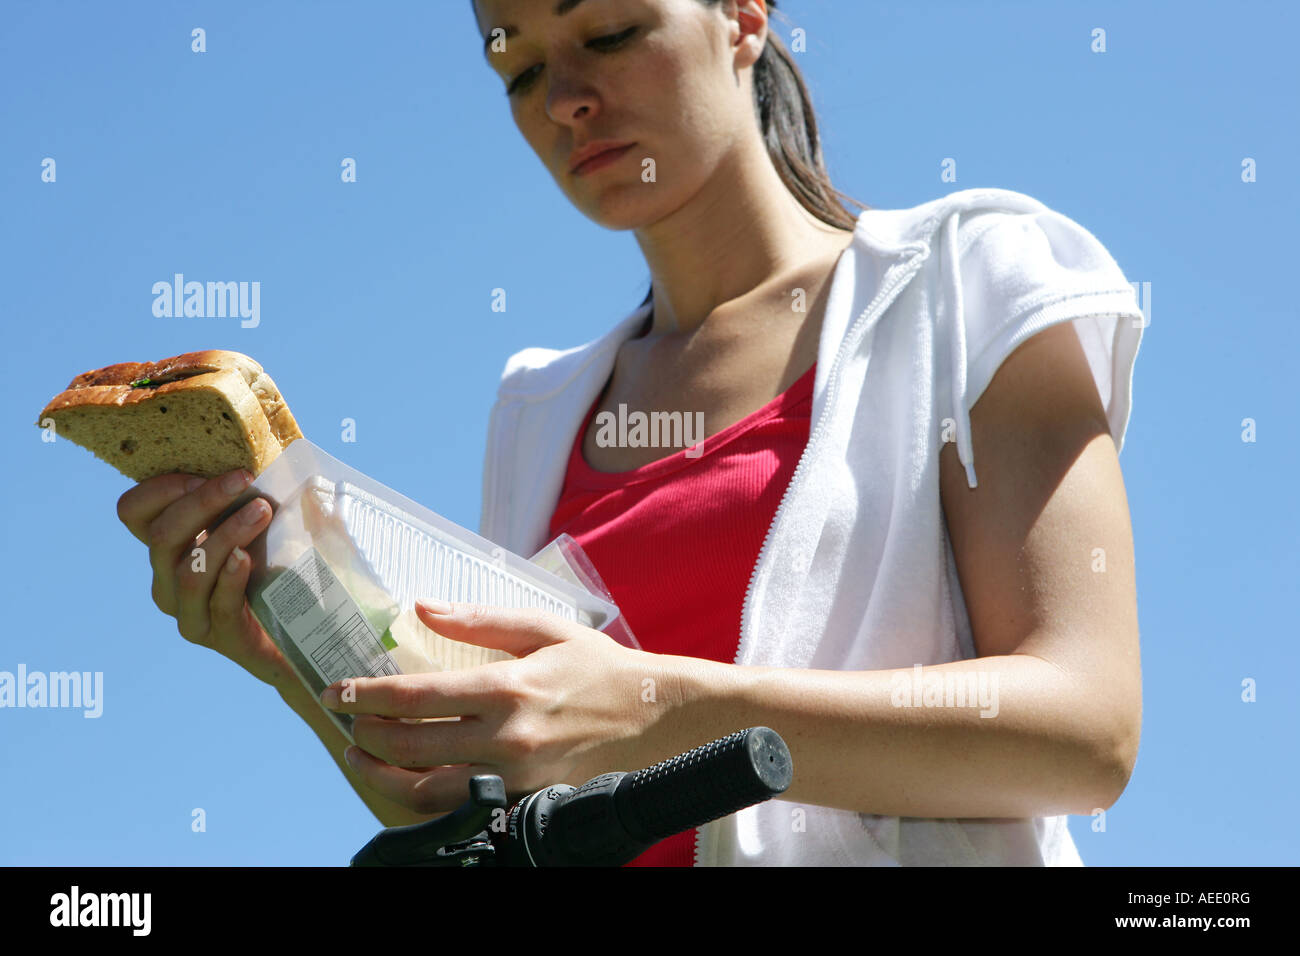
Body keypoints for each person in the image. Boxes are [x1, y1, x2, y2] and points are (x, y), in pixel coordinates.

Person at [116, 0, 1144, 866]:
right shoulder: (535, 410)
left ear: (741, 16)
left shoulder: (969, 282)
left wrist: (656, 707)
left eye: (605, 33)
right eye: (514, 66)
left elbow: (1083, 730)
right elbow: (483, 804)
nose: (563, 98)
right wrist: (296, 664)